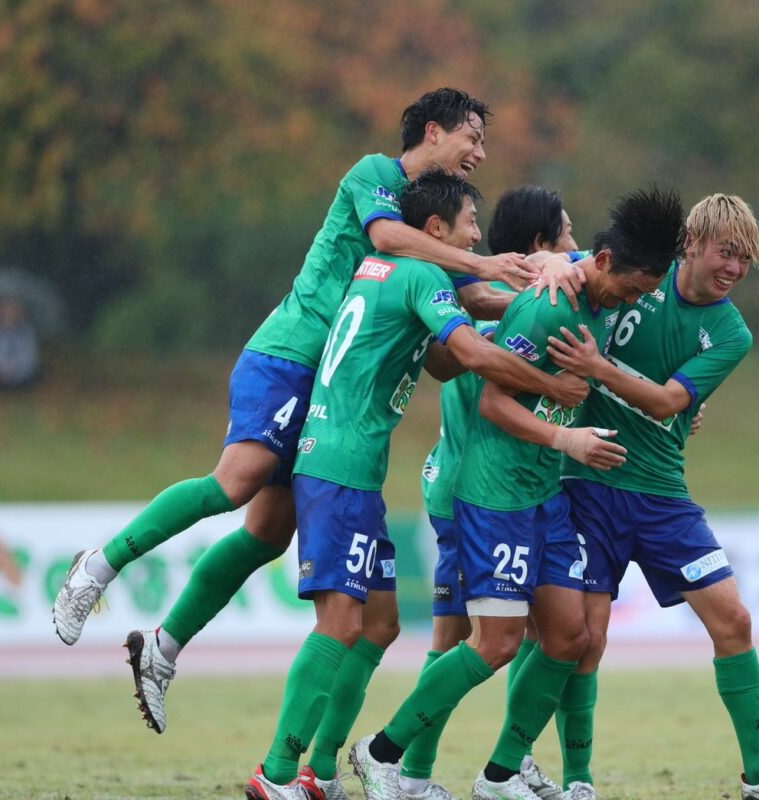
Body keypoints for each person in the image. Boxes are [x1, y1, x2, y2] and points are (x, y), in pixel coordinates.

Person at [51, 88, 582, 731]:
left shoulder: (434, 239)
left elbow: (480, 299)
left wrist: (559, 272)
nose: (481, 152)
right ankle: (98, 566)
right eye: (473, 136)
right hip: (292, 354)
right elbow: (391, 237)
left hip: (334, 389)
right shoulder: (376, 176)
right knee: (235, 481)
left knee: (268, 531)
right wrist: (484, 263)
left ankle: (162, 649)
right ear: (434, 132)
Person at [245, 170, 592, 800]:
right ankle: (280, 773)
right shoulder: (426, 276)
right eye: (467, 225)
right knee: (347, 627)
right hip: (355, 469)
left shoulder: (382, 269)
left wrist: (530, 283)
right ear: (434, 229)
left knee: (380, 625)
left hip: (359, 468)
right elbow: (474, 354)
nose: (475, 239)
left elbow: (444, 349)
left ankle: (327, 772)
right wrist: (555, 384)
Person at [348, 186, 686, 800]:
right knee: (495, 643)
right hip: (495, 493)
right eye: (632, 289)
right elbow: (495, 402)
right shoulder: (543, 307)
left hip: (542, 495)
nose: (631, 304)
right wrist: (570, 442)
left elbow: (590, 262)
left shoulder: (594, 282)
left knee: (570, 637)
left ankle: (501, 774)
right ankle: (381, 751)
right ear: (606, 265)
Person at [545, 194, 759, 800]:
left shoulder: (732, 332)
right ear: (693, 245)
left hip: (661, 495)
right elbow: (566, 265)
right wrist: (548, 263)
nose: (734, 269)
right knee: (584, 641)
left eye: (745, 260)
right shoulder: (637, 273)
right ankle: (574, 782)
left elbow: (669, 403)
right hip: (589, 484)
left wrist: (600, 369)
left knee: (734, 619)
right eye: (725, 253)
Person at [404, 185, 580, 800]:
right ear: (537, 245)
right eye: (565, 235)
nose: (576, 246)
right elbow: (448, 364)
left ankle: (510, 758)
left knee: (543, 633)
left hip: (489, 488)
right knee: (468, 641)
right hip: (469, 493)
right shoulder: (493, 304)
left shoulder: (520, 296)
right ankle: (407, 768)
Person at [0, 295, 40, 389]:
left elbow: (29, 357)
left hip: (15, 373)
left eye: (14, 309)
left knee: (37, 373)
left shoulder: (26, 330)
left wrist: (16, 368)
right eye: (6, 308)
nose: (10, 312)